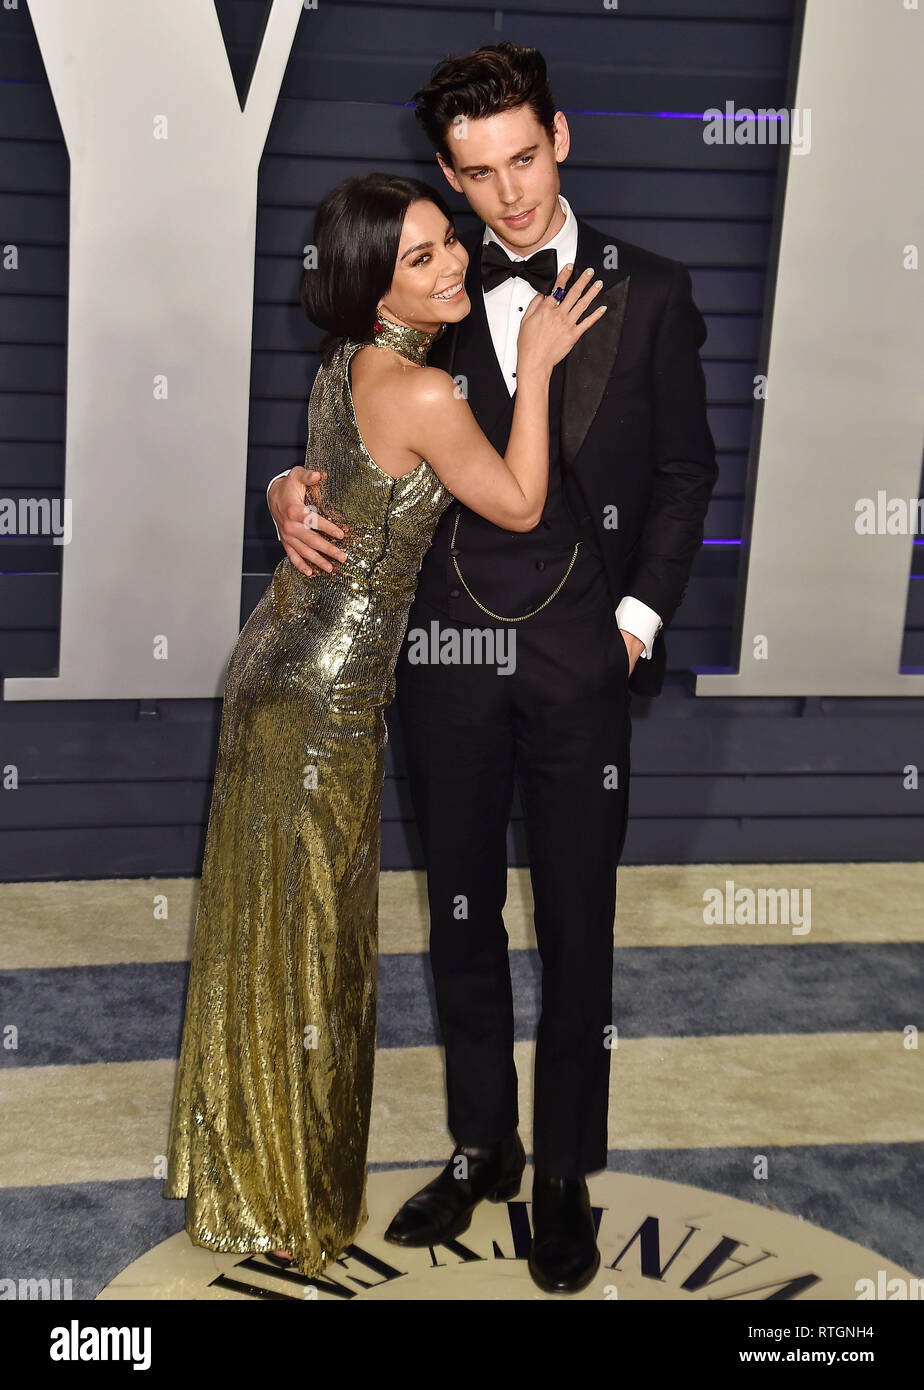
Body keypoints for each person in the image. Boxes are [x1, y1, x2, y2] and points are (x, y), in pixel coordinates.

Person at [268, 43, 718, 1295]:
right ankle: (486, 1144)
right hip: (446, 663)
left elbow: (687, 474)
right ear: (449, 178)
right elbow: (352, 426)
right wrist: (290, 484)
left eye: (524, 160)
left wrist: (639, 609)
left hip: (585, 655)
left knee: (579, 924)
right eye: (477, 175)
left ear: (562, 139)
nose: (508, 199)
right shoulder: (427, 298)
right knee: (461, 910)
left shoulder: (657, 291)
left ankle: (567, 1167)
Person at [162, 170, 605, 1277]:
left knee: (273, 938)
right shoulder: (426, 394)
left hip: (277, 669)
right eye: (420, 258)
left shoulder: (343, 366)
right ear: (375, 292)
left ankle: (246, 1175)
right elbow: (520, 502)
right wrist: (541, 367)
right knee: (313, 952)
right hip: (322, 709)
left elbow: (328, 480)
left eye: (444, 239)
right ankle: (285, 1199)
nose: (453, 260)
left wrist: (284, 488)